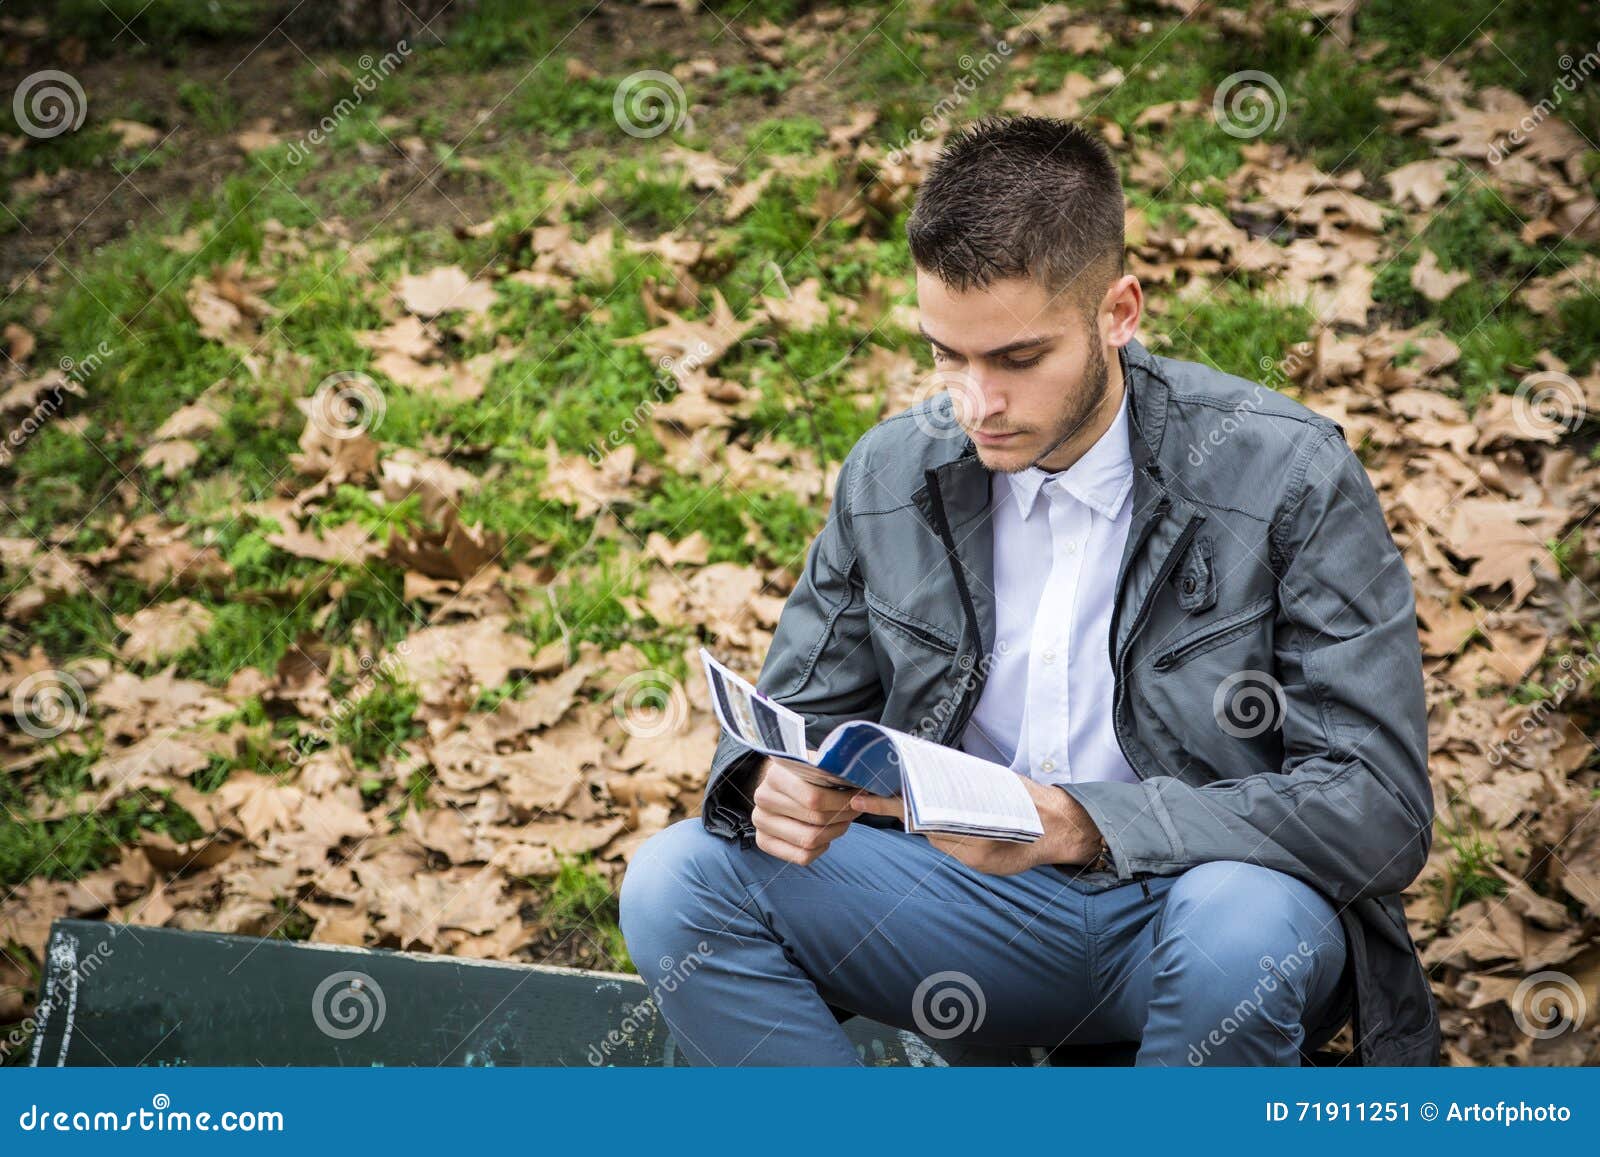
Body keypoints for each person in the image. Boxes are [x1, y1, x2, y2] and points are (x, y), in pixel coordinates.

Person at [620, 115, 1437, 1067]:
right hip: (966, 911)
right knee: (677, 881)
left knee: (1237, 934)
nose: (977, 402)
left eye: (1016, 359)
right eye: (946, 355)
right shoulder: (892, 476)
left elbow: (1378, 806)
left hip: (1197, 908)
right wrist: (769, 783)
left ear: (1118, 312)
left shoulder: (1287, 474)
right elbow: (791, 719)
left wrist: (1085, 824)